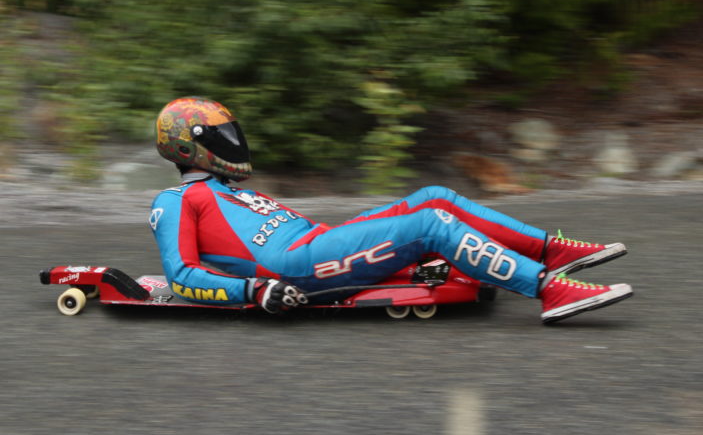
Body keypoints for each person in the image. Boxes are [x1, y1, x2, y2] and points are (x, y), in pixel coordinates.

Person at [150, 97, 632, 323]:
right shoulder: (174, 201)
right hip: (294, 266)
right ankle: (549, 291)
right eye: (219, 138)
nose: (232, 144)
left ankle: (550, 252)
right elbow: (182, 276)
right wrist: (255, 291)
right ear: (188, 148)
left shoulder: (229, 190)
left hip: (317, 244)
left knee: (434, 196)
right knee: (428, 226)